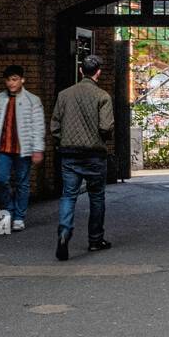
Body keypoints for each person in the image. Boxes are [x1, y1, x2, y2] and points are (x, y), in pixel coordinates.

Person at [50, 54, 114, 261]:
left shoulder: (64, 95)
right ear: (99, 72)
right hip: (94, 155)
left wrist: (61, 142)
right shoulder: (103, 96)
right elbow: (106, 127)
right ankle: (95, 240)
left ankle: (64, 232)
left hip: (69, 154)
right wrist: (103, 138)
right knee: (97, 196)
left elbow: (55, 126)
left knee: (69, 195)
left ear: (80, 71)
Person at [0, 65, 45, 235]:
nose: (11, 83)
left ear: (22, 80)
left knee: (22, 183)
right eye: (9, 79)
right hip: (3, 147)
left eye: (15, 79)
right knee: (1, 179)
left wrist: (37, 149)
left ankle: (19, 217)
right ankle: (8, 210)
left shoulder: (33, 100)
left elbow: (38, 127)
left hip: (23, 148)